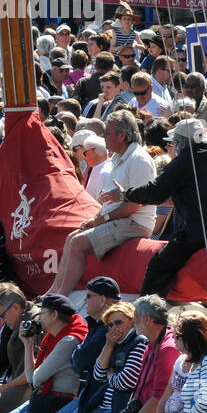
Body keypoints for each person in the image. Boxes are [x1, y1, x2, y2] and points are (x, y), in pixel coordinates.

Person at [100, 118, 207, 297]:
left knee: (157, 266)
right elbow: (203, 193)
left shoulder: (185, 161)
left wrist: (124, 195)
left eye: (174, 142)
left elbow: (155, 192)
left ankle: (148, 310)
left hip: (201, 233)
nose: (170, 146)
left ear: (181, 142)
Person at [46, 111, 156, 296]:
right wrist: (96, 218)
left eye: (108, 132)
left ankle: (60, 296)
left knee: (78, 242)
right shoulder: (118, 158)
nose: (104, 137)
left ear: (123, 135)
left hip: (135, 224)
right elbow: (109, 201)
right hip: (119, 220)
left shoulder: (139, 160)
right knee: (71, 237)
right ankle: (53, 291)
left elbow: (136, 204)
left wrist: (104, 218)